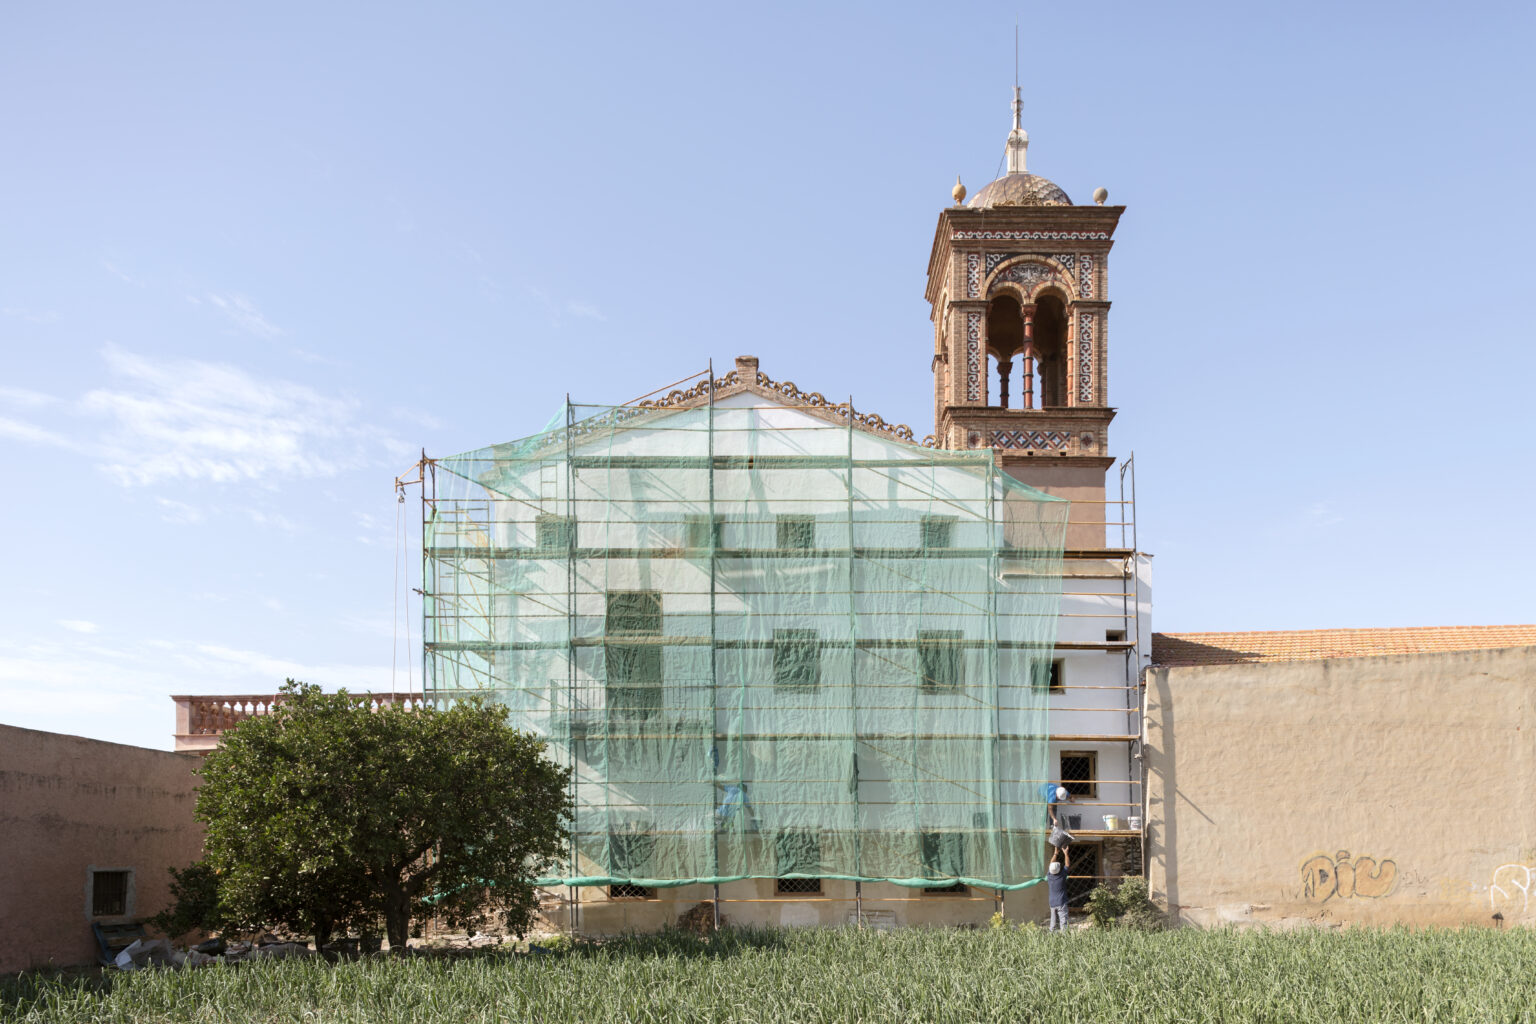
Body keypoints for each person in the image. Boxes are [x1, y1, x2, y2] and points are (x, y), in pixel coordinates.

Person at [1046, 860, 1070, 931]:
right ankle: (1065, 938)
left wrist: (1055, 853)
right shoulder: (1062, 876)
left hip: (1052, 903)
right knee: (1063, 922)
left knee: (1053, 923)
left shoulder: (1049, 876)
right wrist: (1065, 853)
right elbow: (1067, 864)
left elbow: (1051, 863)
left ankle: (1052, 937)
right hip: (1061, 902)